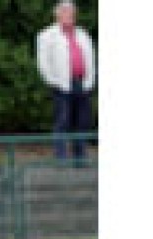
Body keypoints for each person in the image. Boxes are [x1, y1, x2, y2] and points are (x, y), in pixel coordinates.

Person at [35, 1, 97, 162]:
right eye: (65, 12)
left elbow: (91, 58)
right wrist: (52, 81)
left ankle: (80, 156)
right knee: (62, 120)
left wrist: (90, 80)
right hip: (61, 84)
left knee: (82, 122)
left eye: (71, 13)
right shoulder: (47, 34)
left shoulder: (83, 33)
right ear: (57, 15)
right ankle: (61, 157)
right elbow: (43, 62)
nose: (69, 15)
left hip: (82, 83)